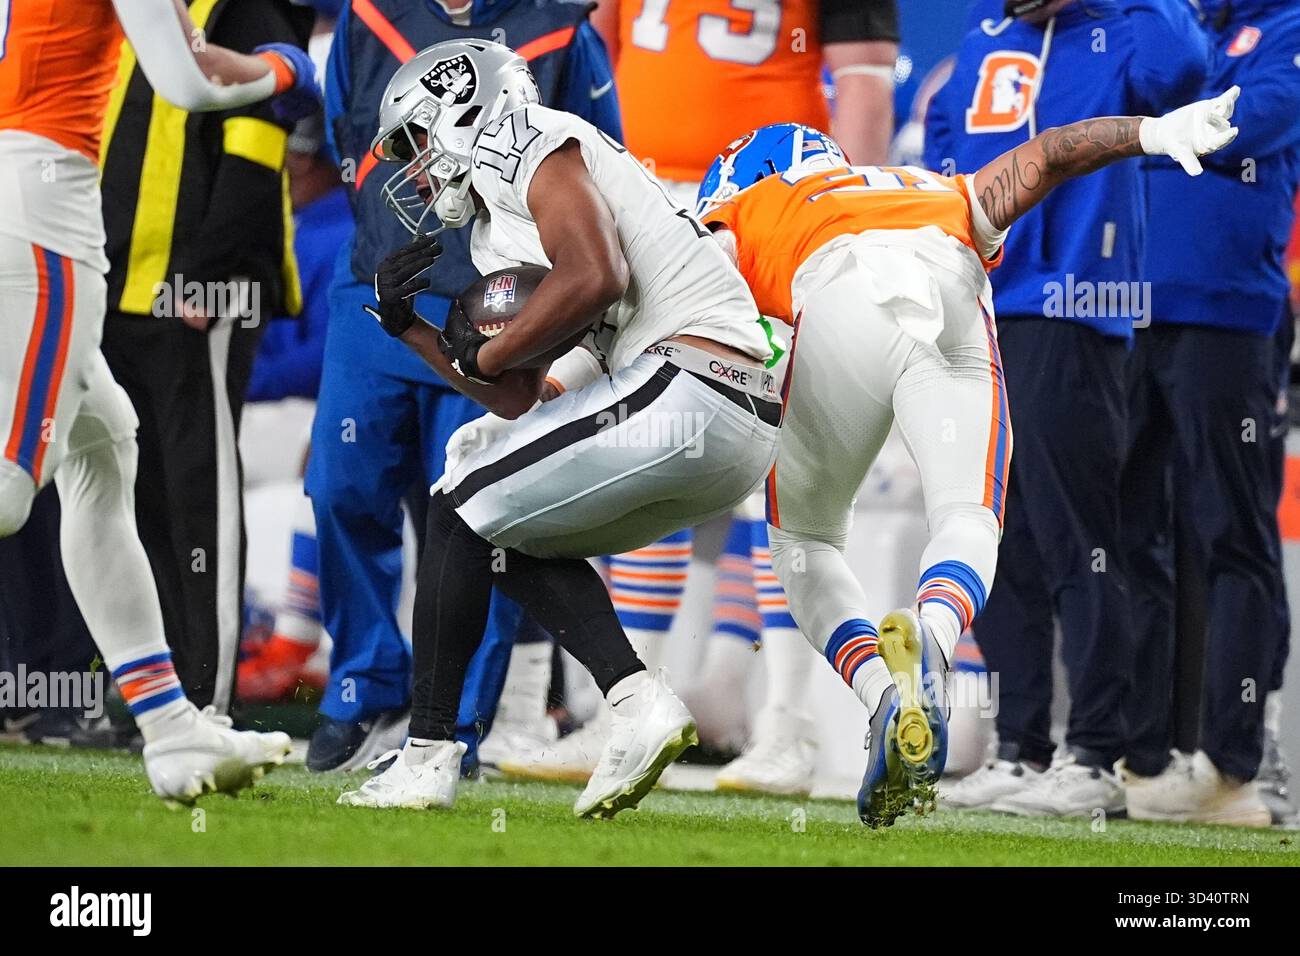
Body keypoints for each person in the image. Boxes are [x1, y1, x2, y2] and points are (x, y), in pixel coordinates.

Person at [694, 87, 1241, 825]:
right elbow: (1049, 154)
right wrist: (1150, 130)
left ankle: (884, 693)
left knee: (805, 546)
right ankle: (935, 642)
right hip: (945, 287)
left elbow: (686, 305)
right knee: (967, 516)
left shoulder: (749, 206)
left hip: (837, 303)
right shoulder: (929, 181)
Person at [335, 39, 782, 817]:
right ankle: (640, 703)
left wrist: (490, 343)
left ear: (459, 106)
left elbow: (595, 274)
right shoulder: (496, 226)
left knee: (459, 501)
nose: (411, 166)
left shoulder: (519, 139)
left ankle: (429, 755)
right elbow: (518, 396)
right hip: (724, 418)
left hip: (691, 376)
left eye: (413, 139)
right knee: (499, 520)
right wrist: (414, 333)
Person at [490, 0, 903, 794]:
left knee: (786, 467)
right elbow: (591, 56)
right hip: (645, 204)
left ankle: (789, 725)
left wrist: (839, 223)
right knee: (644, 439)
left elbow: (865, 89)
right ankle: (630, 708)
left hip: (772, 204)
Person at [0, 0, 320, 801]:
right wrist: (289, 70)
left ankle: (172, 726)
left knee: (102, 455)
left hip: (24, 197)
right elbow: (187, 82)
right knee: (12, 488)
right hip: (43, 221)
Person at [305, 0, 623, 773]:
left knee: (482, 509)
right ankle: (365, 683)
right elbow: (351, 142)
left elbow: (600, 160)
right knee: (340, 487)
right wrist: (385, 247)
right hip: (378, 285)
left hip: (499, 294)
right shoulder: (369, 14)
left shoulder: (559, 27)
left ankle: (449, 722)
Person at [922, 0, 1208, 816]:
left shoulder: (1125, 24)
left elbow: (1182, 69)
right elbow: (944, 168)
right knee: (996, 535)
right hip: (981, 308)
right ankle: (1021, 747)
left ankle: (1096, 753)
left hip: (1074, 310)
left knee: (1082, 538)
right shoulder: (981, 38)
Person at [98, 0, 315, 715]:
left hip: (193, 294)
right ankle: (154, 696)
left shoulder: (246, 9)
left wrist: (210, 269)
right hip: (113, 283)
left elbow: (257, 144)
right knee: (135, 496)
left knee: (201, 496)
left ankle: (208, 695)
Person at [1120, 0, 1300, 828]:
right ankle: (1137, 752)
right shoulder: (1182, 26)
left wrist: (1149, 138)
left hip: (1229, 313)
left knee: (1232, 534)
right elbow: (1103, 123)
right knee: (1128, 533)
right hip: (1125, 306)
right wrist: (1152, 137)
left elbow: (1250, 125)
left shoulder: (1288, 23)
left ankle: (1236, 766)